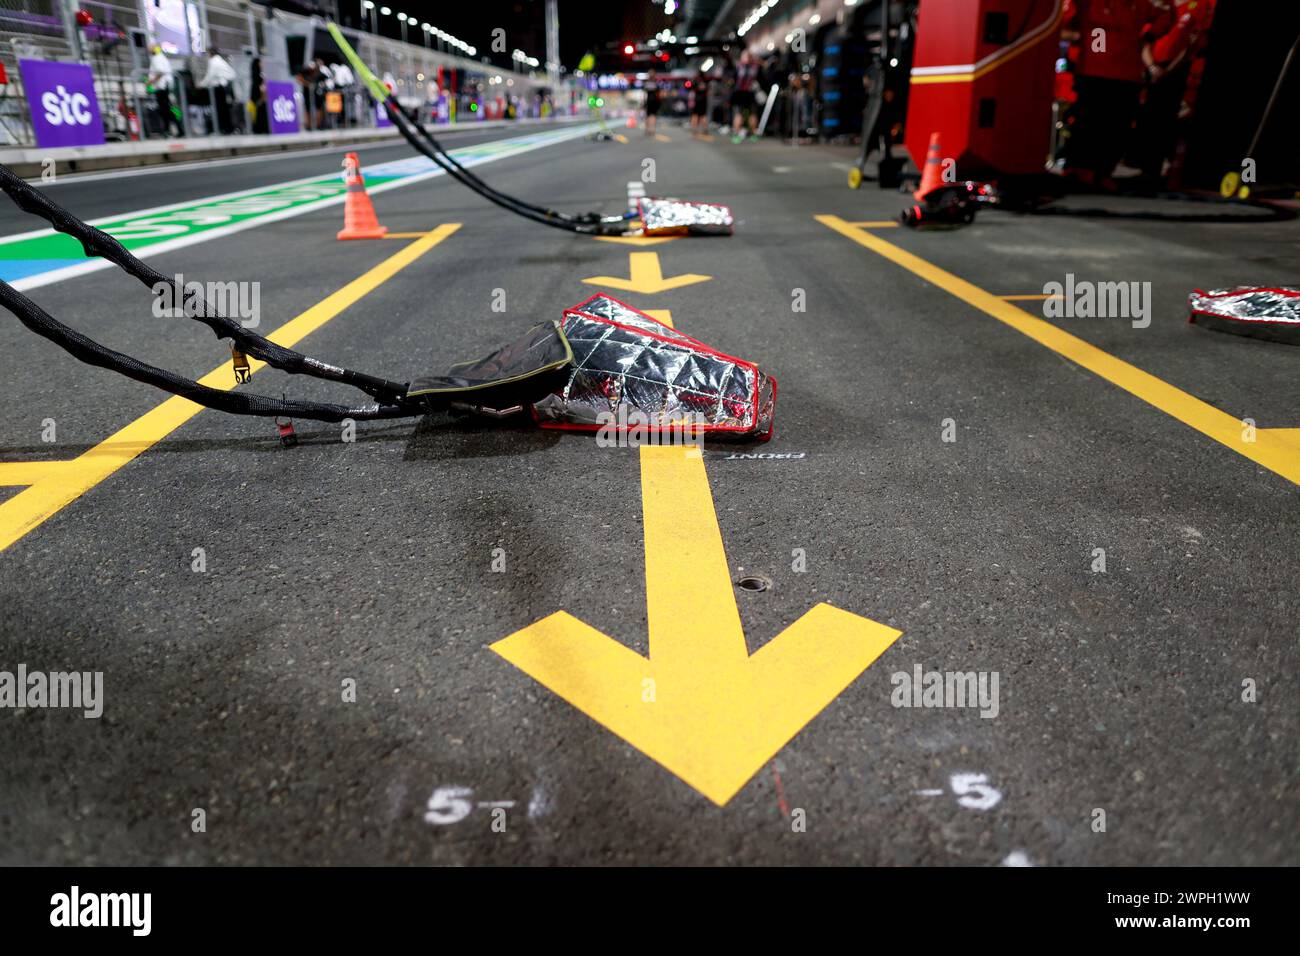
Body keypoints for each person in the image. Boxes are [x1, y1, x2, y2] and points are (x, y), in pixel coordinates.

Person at [1062, 0, 1168, 188]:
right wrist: (1083, 36)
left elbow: (1167, 13)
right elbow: (1060, 21)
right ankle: (1080, 169)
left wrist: (1148, 37)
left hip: (1123, 74)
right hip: (1096, 72)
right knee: (1091, 122)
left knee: (1115, 125)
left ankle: (1100, 171)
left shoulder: (1140, 4)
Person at [198, 47, 237, 135]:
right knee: (224, 109)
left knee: (220, 109)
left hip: (219, 88)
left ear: (211, 53)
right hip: (224, 87)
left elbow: (210, 76)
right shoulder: (220, 61)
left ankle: (223, 129)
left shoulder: (214, 61)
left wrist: (201, 85)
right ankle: (227, 129)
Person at [146, 44, 182, 137]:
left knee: (165, 110)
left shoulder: (156, 58)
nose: (148, 49)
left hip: (162, 87)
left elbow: (160, 72)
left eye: (149, 48)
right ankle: (174, 129)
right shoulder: (161, 57)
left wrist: (149, 82)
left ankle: (170, 130)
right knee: (168, 109)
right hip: (164, 86)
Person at [730, 50, 759, 142]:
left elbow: (732, 81)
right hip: (749, 93)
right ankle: (754, 135)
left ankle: (736, 135)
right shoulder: (755, 68)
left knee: (739, 114)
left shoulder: (738, 67)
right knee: (751, 114)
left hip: (741, 93)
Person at [249, 57, 269, 134]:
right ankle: (260, 128)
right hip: (258, 95)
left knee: (259, 112)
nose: (262, 64)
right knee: (260, 111)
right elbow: (260, 86)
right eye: (260, 62)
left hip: (257, 95)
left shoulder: (256, 73)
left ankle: (259, 128)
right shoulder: (257, 74)